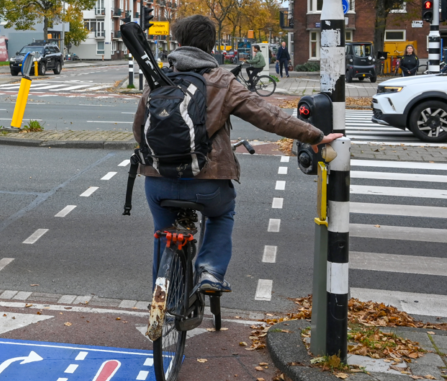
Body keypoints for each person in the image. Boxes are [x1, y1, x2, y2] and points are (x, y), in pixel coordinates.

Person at [133, 15, 341, 294]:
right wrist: (314, 135)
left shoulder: (157, 79)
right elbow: (268, 115)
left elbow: (139, 130)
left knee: (163, 231)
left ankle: (161, 293)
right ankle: (209, 271)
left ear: (178, 44)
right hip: (208, 181)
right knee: (221, 215)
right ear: (211, 46)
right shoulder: (222, 80)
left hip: (158, 179)